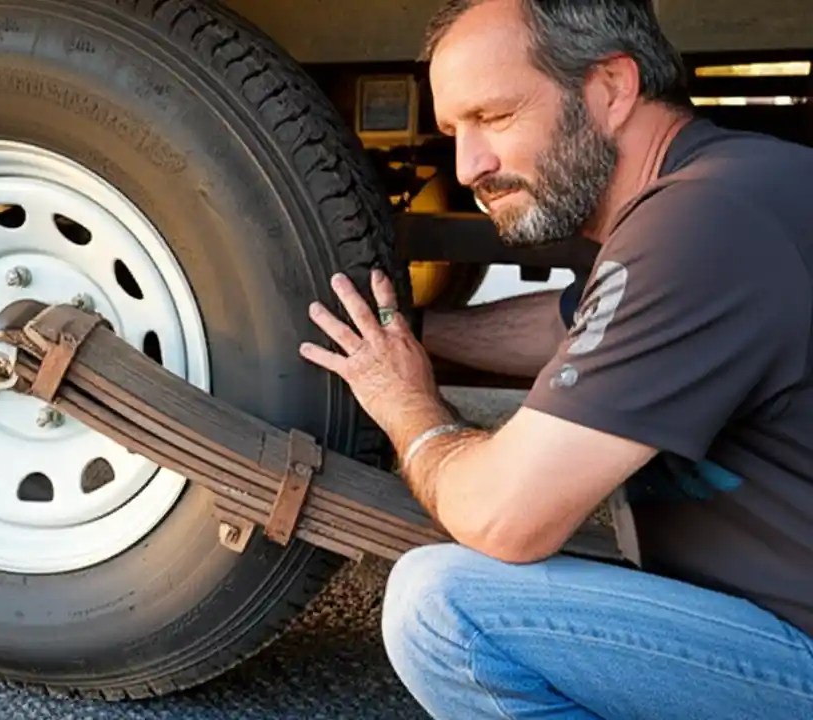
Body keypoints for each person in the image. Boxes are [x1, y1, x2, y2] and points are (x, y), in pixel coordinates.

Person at [298, 0, 813, 717]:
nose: (468, 165)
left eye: (496, 118)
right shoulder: (728, 189)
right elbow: (574, 326)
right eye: (454, 131)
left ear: (610, 87)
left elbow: (507, 516)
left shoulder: (705, 225)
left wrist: (409, 409)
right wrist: (409, 335)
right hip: (775, 621)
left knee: (446, 610)